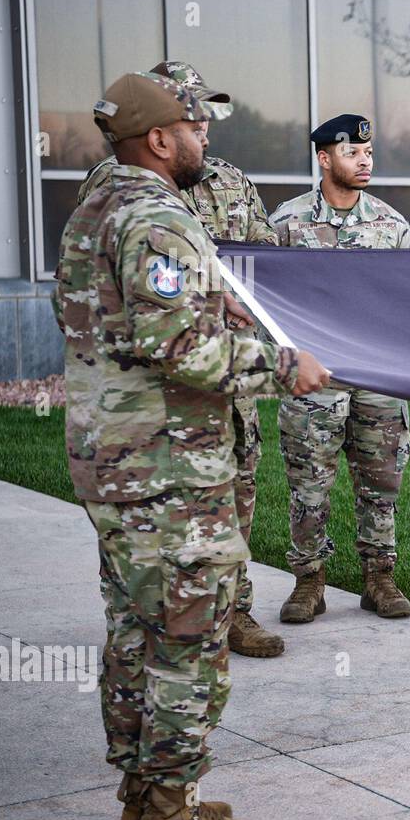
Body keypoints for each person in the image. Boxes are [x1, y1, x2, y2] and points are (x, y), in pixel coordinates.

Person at [53, 71, 329, 820]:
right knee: (188, 641)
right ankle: (169, 815)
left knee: (139, 632)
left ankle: (147, 802)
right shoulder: (154, 216)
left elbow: (133, 319)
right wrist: (283, 366)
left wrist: (216, 295)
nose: (206, 138)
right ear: (160, 139)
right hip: (168, 468)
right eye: (195, 127)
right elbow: (176, 345)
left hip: (116, 462)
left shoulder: (97, 206)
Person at [77, 60, 286, 659]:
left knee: (233, 497)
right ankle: (167, 635)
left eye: (207, 113)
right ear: (159, 132)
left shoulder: (230, 182)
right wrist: (287, 366)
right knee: (154, 538)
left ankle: (232, 610)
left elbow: (262, 263)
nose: (207, 125)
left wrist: (248, 306)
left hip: (223, 391)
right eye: (194, 113)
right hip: (158, 397)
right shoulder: (120, 191)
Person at [269, 114, 410, 623]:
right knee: (309, 482)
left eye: (369, 154)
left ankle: (380, 578)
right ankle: (309, 581)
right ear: (324, 158)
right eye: (353, 153)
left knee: (382, 481)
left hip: (377, 376)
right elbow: (265, 301)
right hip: (315, 378)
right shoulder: (287, 224)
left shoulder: (392, 227)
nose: (365, 161)